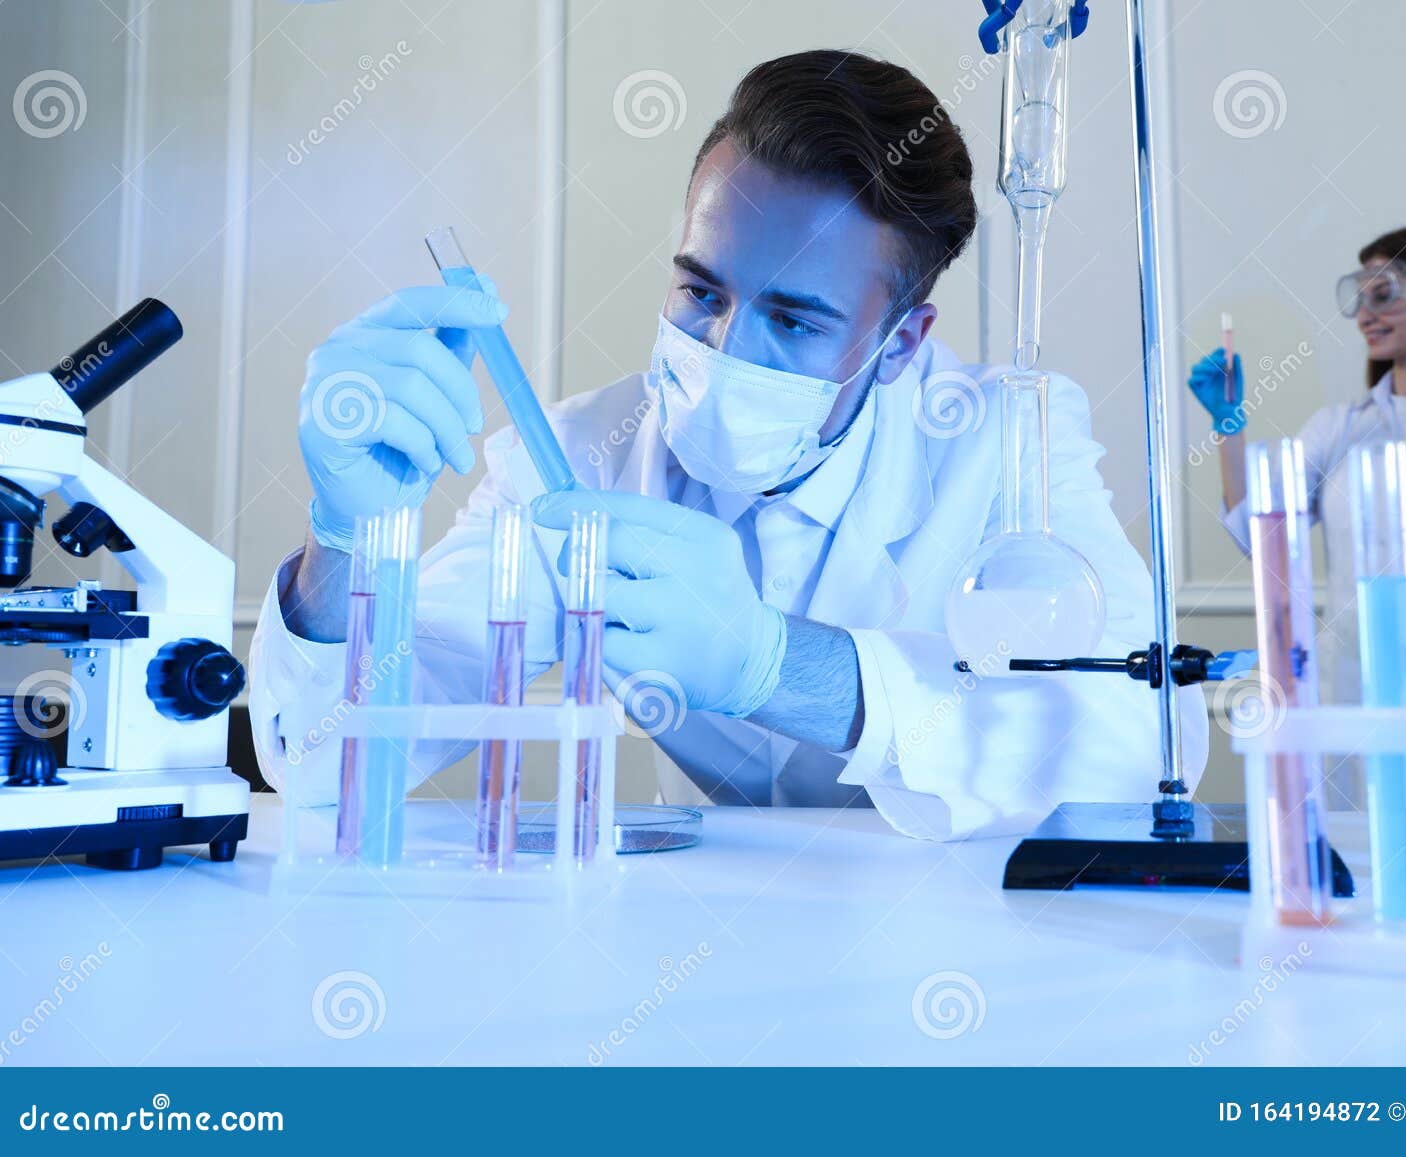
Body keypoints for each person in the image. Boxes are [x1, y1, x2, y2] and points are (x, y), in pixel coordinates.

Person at [250, 50, 1208, 841]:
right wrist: (341, 542)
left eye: (793, 321)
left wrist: (775, 663)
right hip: (706, 934)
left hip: (956, 948)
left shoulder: (1001, 443)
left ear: (900, 343)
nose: (721, 350)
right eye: (702, 292)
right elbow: (327, 762)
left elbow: (1142, 740)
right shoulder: (581, 455)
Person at [1187, 223, 1406, 709]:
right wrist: (1229, 426)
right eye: (1358, 298)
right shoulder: (1338, 429)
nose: (1364, 315)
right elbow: (1262, 536)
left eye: (1383, 294)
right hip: (1359, 693)